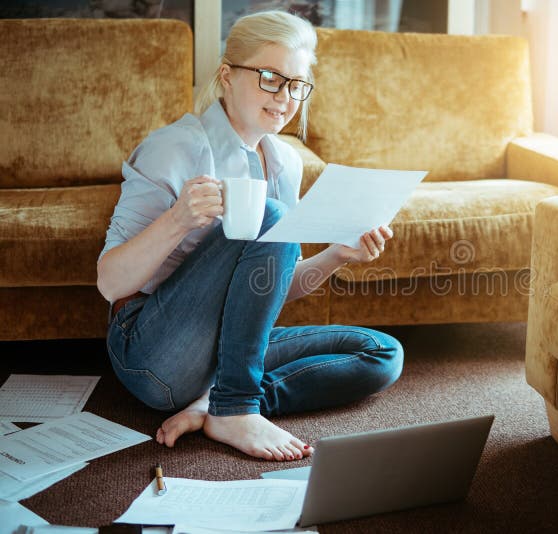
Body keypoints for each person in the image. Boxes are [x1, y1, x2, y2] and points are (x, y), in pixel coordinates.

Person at [96, 10, 403, 462]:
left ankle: (216, 406)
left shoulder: (284, 163)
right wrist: (179, 219)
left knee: (381, 352)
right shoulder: (174, 148)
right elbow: (108, 283)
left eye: (296, 84)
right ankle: (236, 404)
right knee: (269, 214)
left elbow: (268, 289)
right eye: (269, 78)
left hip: (224, 352)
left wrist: (337, 255)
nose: (285, 97)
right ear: (227, 76)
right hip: (150, 351)